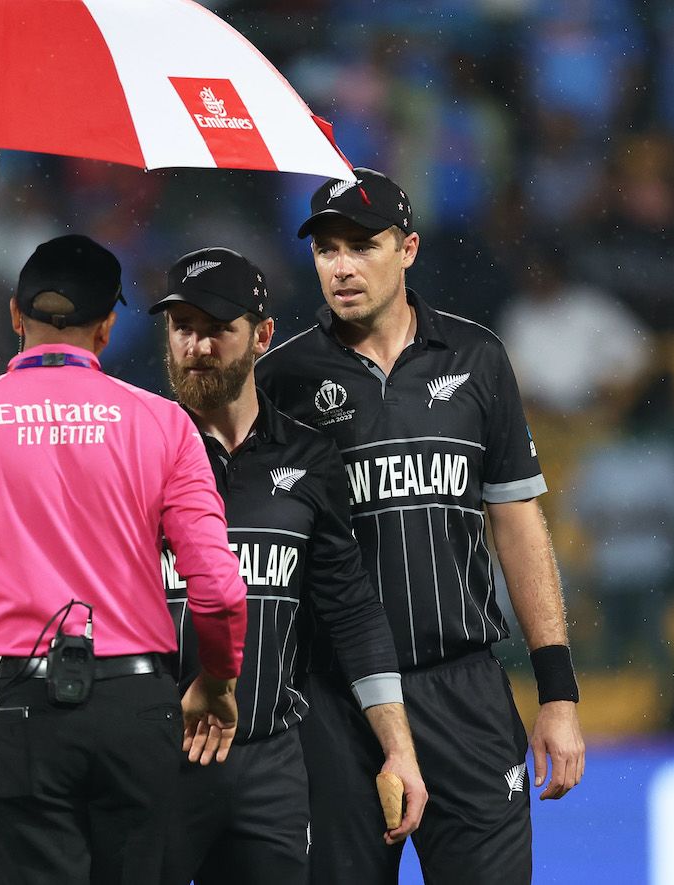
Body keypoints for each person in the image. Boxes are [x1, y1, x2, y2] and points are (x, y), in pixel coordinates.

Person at [0, 234, 249, 885]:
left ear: (16, 316)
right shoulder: (165, 424)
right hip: (133, 706)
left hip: (11, 708)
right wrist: (216, 681)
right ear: (108, 324)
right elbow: (218, 591)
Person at [255, 168, 587, 883]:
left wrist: (557, 692)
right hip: (334, 702)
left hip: (463, 688)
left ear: (407, 248)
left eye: (361, 245)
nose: (340, 266)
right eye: (325, 250)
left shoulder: (477, 359)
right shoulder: (282, 379)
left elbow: (520, 526)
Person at [151, 247, 426, 884]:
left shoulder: (309, 458)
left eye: (218, 327)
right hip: (156, 759)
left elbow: (352, 612)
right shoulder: (137, 453)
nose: (197, 345)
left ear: (263, 334)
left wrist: (398, 748)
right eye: (182, 327)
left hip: (271, 764)